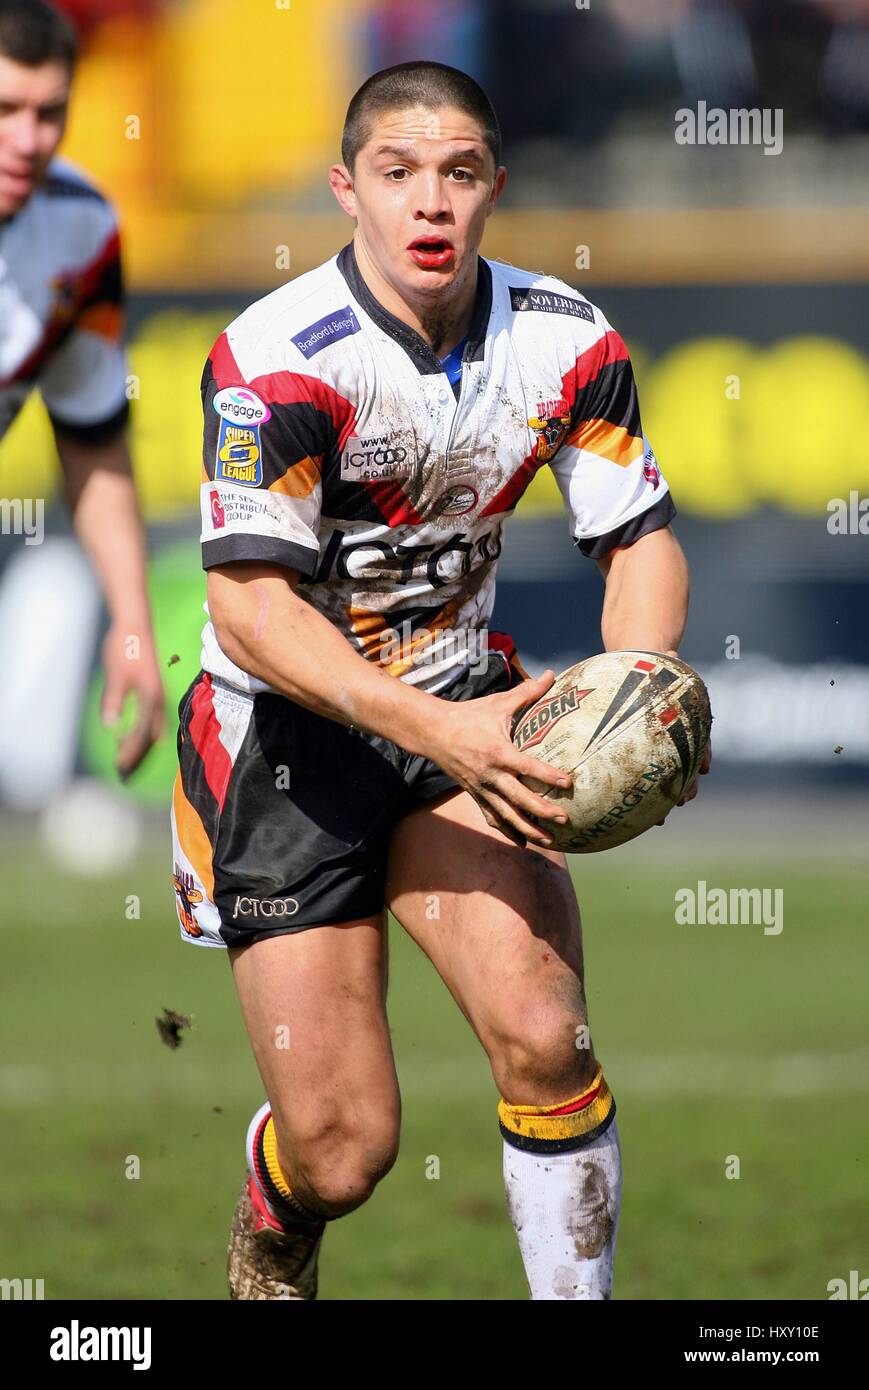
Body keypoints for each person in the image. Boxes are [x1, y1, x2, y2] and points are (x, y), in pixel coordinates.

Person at [171, 60, 711, 1301]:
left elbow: (637, 539)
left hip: (464, 704)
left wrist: (644, 684)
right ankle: (274, 1218)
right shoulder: (275, 358)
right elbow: (248, 609)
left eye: (459, 174)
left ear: (494, 189)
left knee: (544, 1034)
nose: (431, 203)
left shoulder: (566, 339)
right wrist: (443, 730)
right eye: (398, 172)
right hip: (282, 749)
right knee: (345, 1147)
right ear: (344, 187)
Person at [0, 0, 163, 776]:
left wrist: (131, 621)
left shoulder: (81, 230)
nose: (28, 140)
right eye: (4, 109)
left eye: (49, 113)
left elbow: (93, 442)